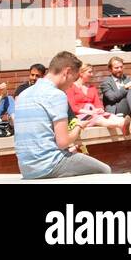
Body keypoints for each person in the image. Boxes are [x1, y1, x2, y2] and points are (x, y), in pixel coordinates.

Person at [14, 51, 111, 179]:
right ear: (67, 72)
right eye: (74, 79)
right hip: (49, 165)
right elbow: (63, 142)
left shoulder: (23, 95)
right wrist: (78, 127)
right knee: (105, 170)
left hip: (26, 168)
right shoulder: (57, 95)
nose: (72, 85)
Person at [66, 63, 130, 132]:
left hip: (94, 113)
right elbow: (73, 107)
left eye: (92, 72)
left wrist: (100, 109)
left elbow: (98, 104)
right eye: (89, 72)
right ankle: (122, 125)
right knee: (99, 119)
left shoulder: (92, 88)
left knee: (112, 116)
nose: (92, 74)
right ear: (81, 73)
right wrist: (90, 112)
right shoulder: (71, 87)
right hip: (80, 116)